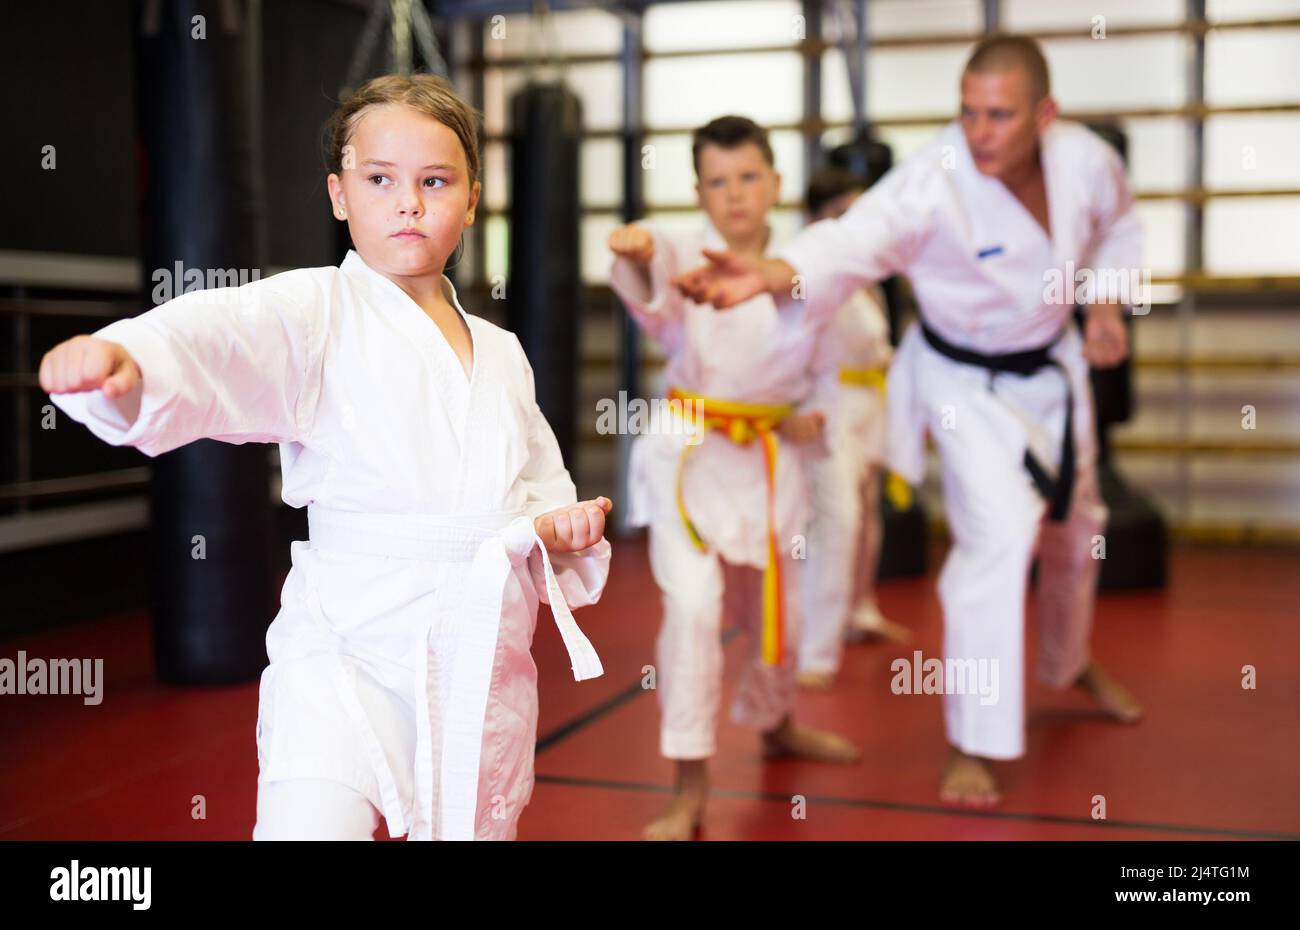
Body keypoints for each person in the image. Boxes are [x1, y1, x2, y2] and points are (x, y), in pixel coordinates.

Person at [40, 73, 612, 840]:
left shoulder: (505, 353)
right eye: (381, 180)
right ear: (340, 195)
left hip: (475, 650)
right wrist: (128, 361)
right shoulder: (316, 311)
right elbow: (222, 334)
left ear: (472, 198)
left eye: (434, 181)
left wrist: (560, 527)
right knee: (307, 821)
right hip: (345, 644)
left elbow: (538, 488)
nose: (408, 201)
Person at [672, 37, 1144, 807]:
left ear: (1046, 115)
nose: (980, 130)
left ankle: (1069, 663)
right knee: (994, 543)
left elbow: (1119, 226)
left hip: (1054, 371)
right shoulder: (933, 180)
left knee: (1076, 528)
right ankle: (973, 740)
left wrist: (1106, 301)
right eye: (968, 111)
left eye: (999, 114)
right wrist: (776, 271)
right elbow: (854, 241)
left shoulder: (1087, 161)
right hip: (966, 383)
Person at [608, 116, 859, 841]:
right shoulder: (689, 250)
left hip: (769, 457)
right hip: (690, 455)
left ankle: (777, 723)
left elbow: (824, 365)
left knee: (776, 609)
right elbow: (650, 272)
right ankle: (690, 782)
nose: (736, 194)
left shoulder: (802, 264)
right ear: (699, 192)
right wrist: (637, 247)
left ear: (776, 183)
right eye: (718, 181)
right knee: (692, 612)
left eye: (749, 177)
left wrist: (812, 416)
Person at [796, 167, 909, 693]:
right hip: (829, 401)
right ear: (818, 215)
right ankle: (815, 650)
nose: (853, 223)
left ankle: (859, 609)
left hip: (871, 399)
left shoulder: (865, 271)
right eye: (842, 212)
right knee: (837, 522)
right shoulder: (804, 266)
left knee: (867, 516)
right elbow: (786, 346)